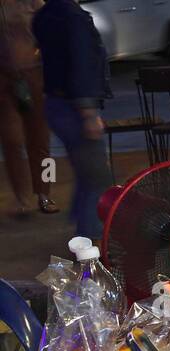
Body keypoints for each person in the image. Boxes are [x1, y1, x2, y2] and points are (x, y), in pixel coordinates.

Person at [31, 0, 110, 239]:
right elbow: (81, 62)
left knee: (86, 172)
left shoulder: (45, 14)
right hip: (73, 106)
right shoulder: (73, 17)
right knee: (97, 178)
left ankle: (80, 224)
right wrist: (88, 113)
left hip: (55, 102)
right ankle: (89, 240)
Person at [0, 0, 56, 216]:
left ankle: (45, 193)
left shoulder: (33, 2)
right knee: (11, 141)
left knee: (41, 141)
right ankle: (20, 197)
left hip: (34, 77)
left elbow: (50, 34)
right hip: (4, 82)